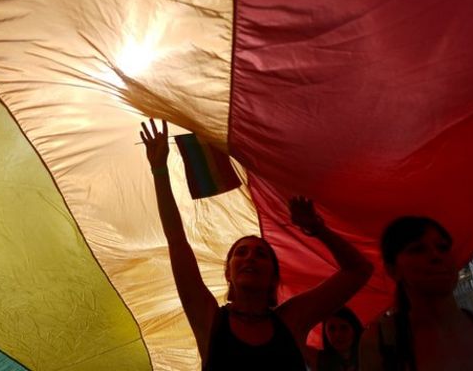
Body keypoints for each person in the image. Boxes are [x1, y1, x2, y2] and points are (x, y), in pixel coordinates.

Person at [139, 119, 372, 370]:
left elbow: (358, 271)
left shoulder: (292, 320)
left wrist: (318, 229)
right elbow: (176, 240)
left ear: (274, 278)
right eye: (241, 252)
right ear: (228, 272)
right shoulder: (209, 320)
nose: (250, 257)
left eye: (261, 255)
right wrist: (159, 170)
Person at [359, 216, 473, 370]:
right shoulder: (380, 343)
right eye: (417, 249)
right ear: (392, 269)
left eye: (443, 247)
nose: (436, 256)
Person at [303, 306, 363, 371]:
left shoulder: (369, 356)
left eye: (344, 328)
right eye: (332, 328)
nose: (337, 334)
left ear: (354, 330)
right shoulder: (317, 359)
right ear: (325, 331)